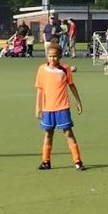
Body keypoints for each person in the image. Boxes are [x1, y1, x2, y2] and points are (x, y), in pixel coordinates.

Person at [35, 42, 86, 171]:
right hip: (47, 108)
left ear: (60, 56)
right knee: (48, 133)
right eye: (51, 56)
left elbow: (72, 86)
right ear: (47, 56)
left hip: (62, 107)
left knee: (68, 132)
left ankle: (78, 161)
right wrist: (38, 108)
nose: (53, 59)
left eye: (56, 56)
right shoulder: (41, 69)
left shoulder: (65, 69)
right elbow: (40, 90)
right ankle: (46, 161)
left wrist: (78, 102)